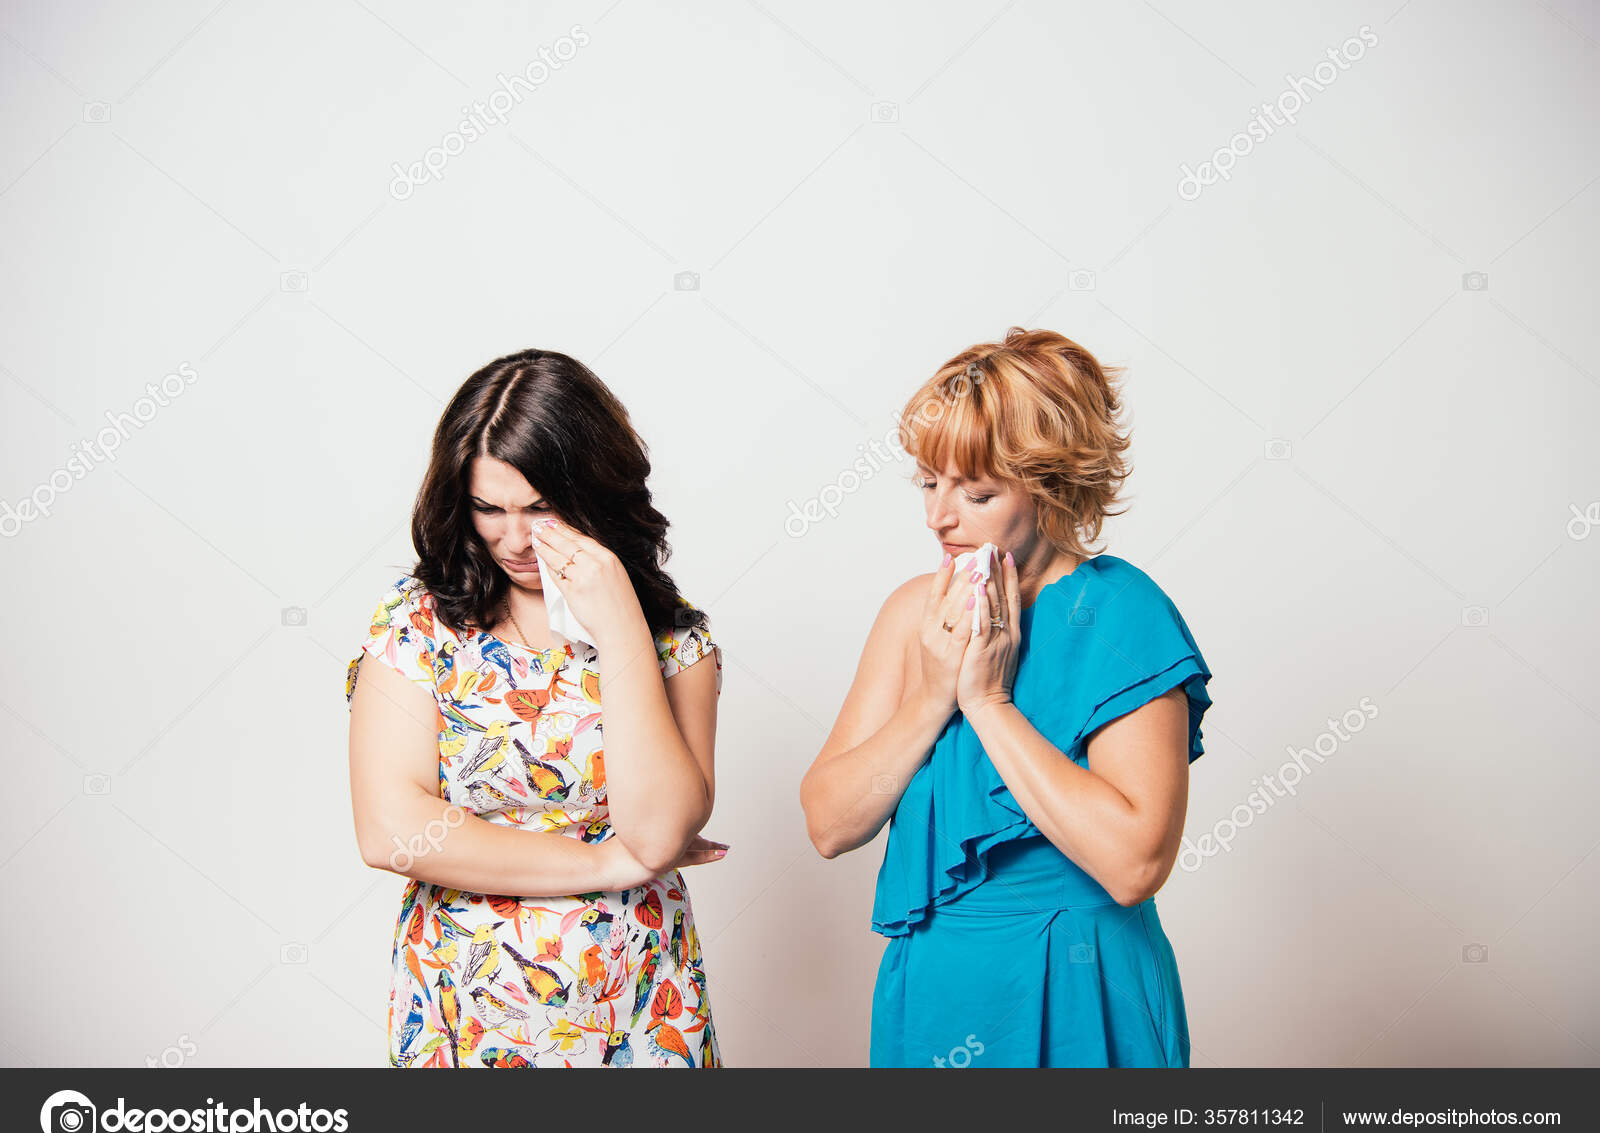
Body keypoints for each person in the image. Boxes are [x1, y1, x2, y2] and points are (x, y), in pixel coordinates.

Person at [800, 327, 1213, 1068]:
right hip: (933, 992)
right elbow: (829, 823)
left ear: (1050, 484)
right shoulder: (912, 613)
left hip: (1082, 987)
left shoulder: (1121, 614)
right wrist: (932, 698)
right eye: (929, 483)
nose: (939, 517)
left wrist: (989, 703)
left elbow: (1133, 864)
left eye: (977, 492)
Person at [346, 348, 727, 1068]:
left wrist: (618, 624)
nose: (513, 539)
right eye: (489, 508)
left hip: (638, 1004)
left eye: (541, 510)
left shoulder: (676, 641)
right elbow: (391, 831)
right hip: (467, 1005)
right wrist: (610, 864)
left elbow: (659, 828)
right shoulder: (417, 625)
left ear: (595, 493)